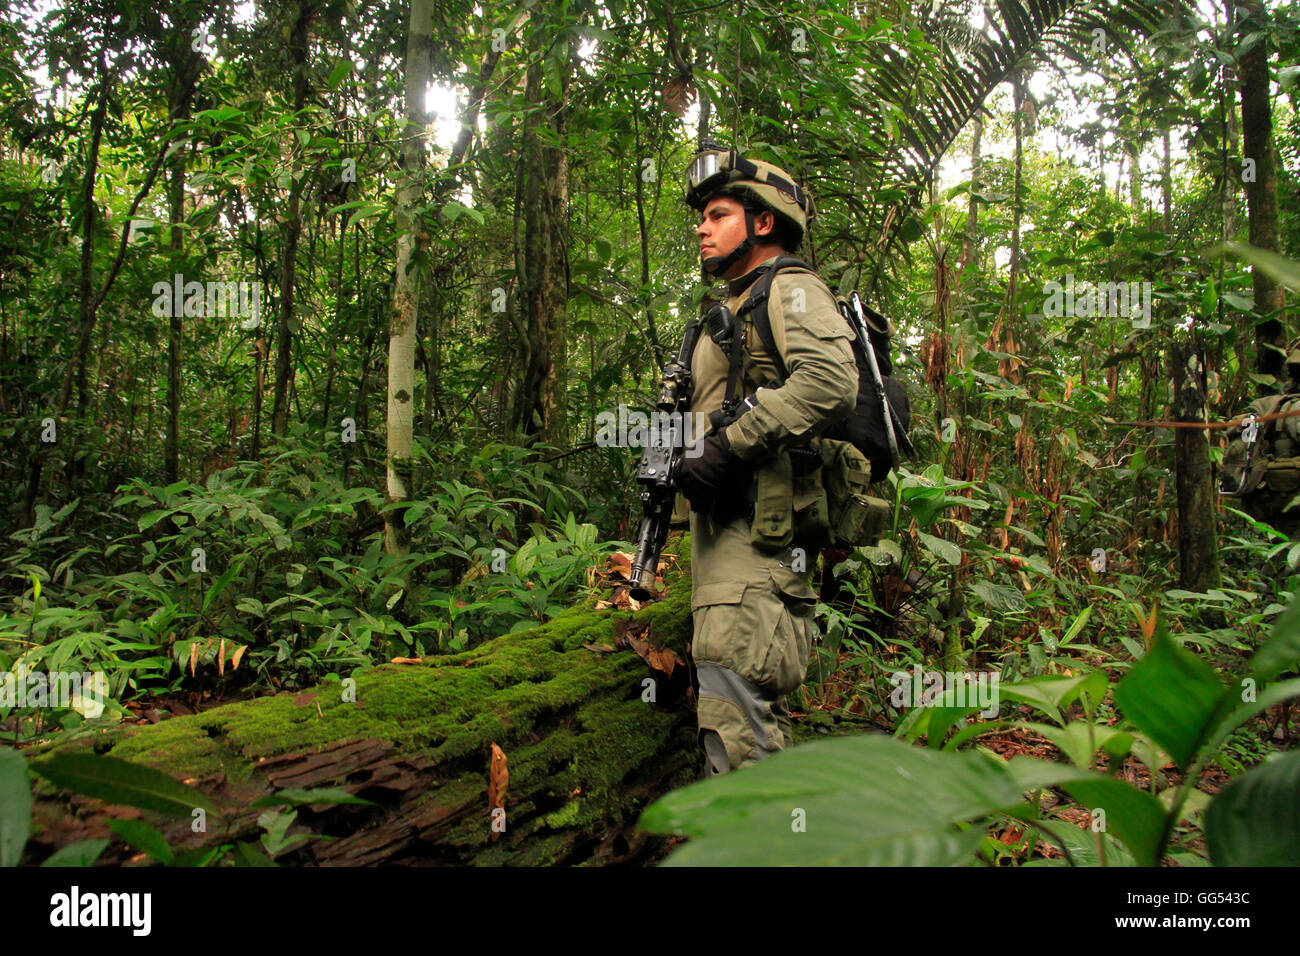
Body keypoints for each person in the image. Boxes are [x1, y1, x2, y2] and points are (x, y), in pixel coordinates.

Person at [675, 149, 858, 774]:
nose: (701, 227)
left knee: (738, 732)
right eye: (701, 216)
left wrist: (730, 444)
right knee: (737, 722)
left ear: (762, 223)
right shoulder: (738, 305)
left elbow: (832, 380)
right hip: (727, 537)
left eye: (718, 214)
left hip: (758, 538)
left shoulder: (790, 287)